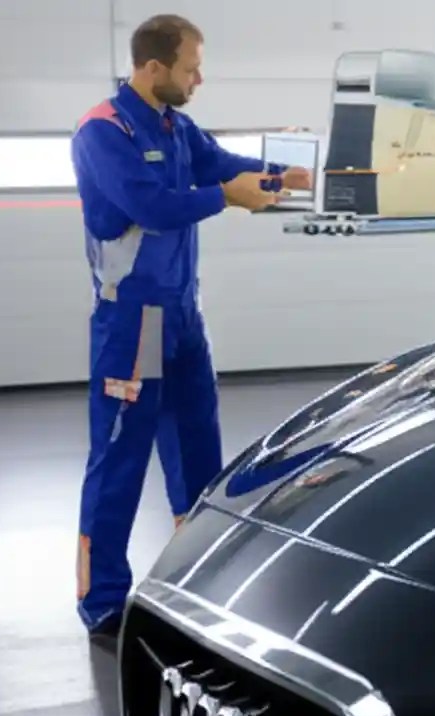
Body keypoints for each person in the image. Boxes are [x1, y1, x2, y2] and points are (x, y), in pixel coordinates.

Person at [69, 13, 312, 642]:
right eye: (190, 67)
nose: (198, 77)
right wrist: (229, 196)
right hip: (135, 325)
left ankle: (196, 585)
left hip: (182, 318)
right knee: (121, 460)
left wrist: (284, 170)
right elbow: (152, 206)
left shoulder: (177, 126)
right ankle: (103, 604)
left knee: (200, 454)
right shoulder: (104, 132)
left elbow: (220, 162)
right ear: (154, 69)